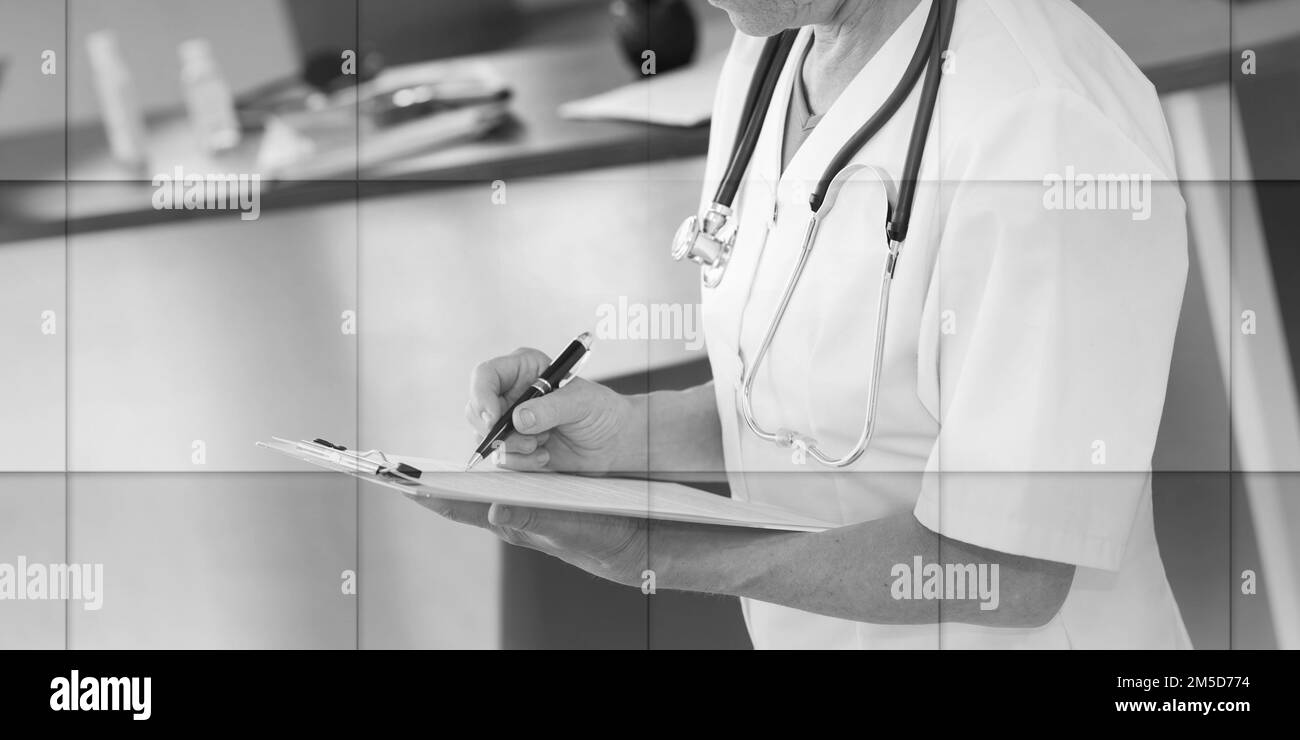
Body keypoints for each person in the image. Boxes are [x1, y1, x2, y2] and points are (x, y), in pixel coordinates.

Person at [430, 0, 1192, 649]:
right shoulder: (769, 49)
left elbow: (1012, 568)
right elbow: (816, 402)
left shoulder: (1044, 126)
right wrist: (627, 434)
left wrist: (668, 553)